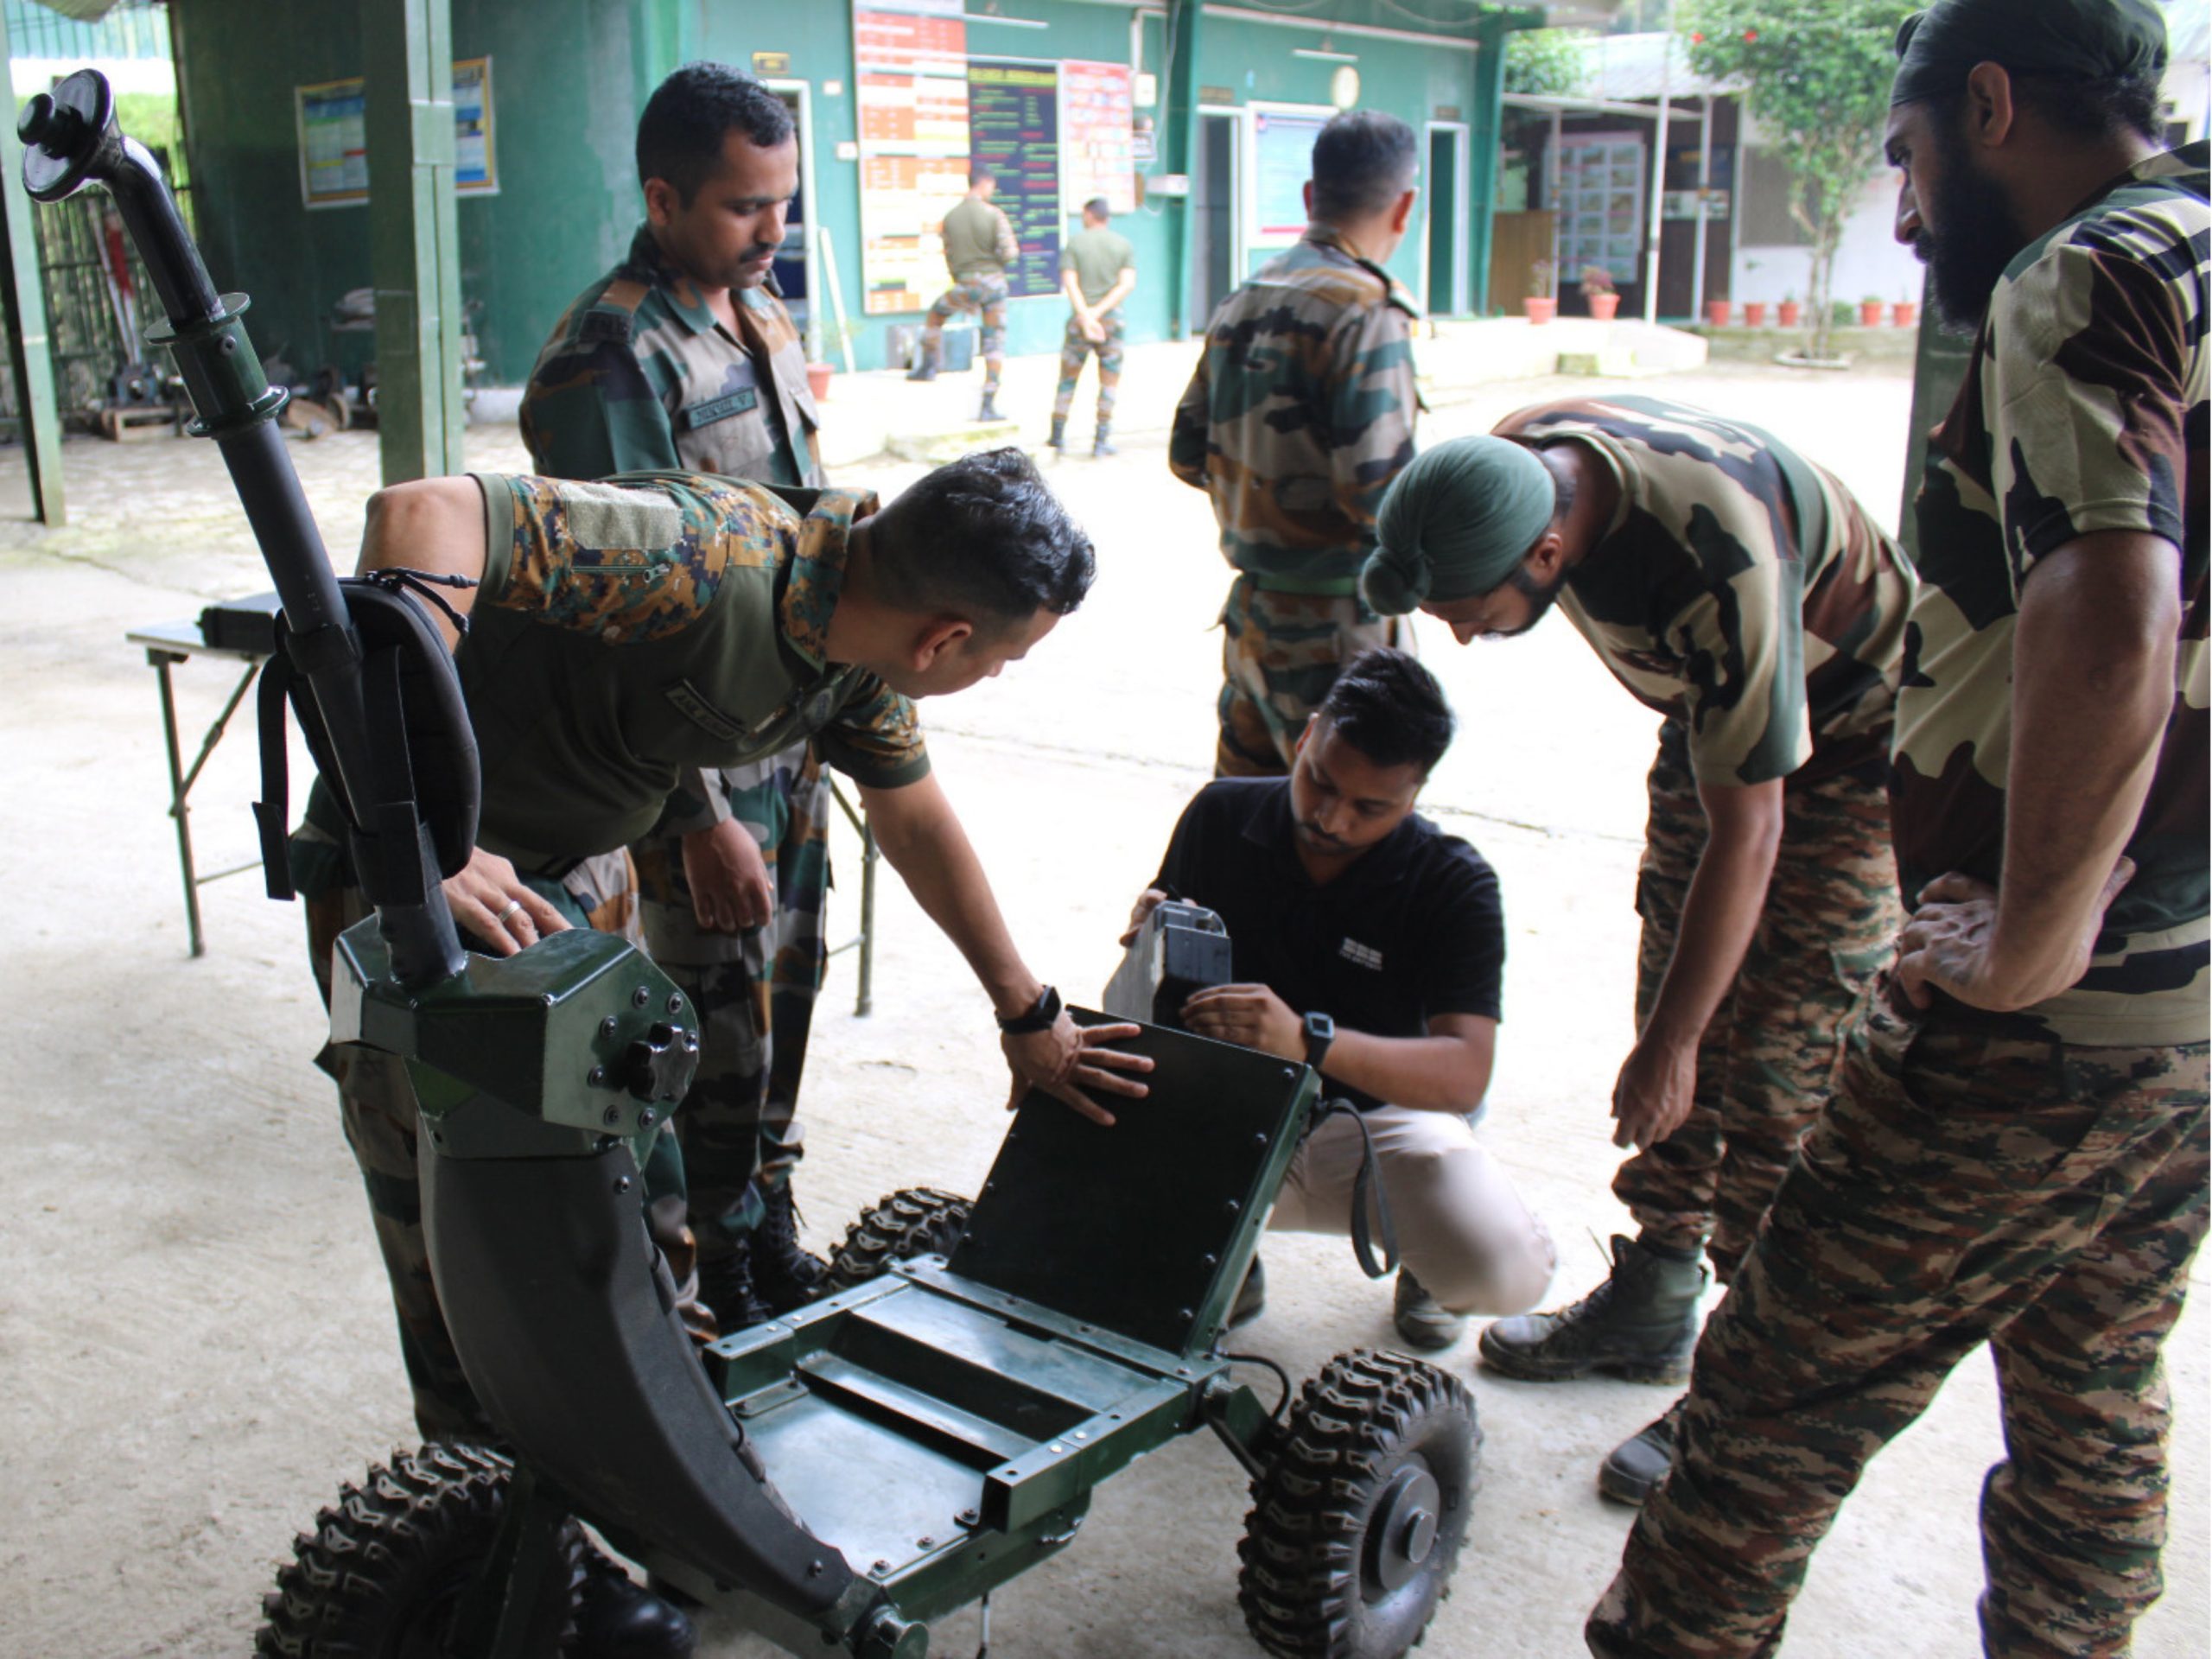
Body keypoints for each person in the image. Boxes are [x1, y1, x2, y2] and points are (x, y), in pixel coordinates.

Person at [290, 450, 1153, 1654]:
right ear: (944, 637)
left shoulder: (853, 645)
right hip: (426, 893)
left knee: (637, 1219)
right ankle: (503, 1552)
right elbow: (421, 511)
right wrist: (422, 823)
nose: (995, 675)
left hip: (571, 881)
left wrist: (1028, 1013)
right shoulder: (710, 563)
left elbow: (914, 815)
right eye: (1005, 658)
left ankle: (675, 1519)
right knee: (461, 1238)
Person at [1586, 3, 2206, 1653]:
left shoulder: (2085, 273)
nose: (1911, 211)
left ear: (1991, 105)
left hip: (2050, 1023)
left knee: (1762, 1415)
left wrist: (2031, 937)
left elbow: (2111, 597)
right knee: (2091, 1397)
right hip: (2194, 1016)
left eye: (1911, 158)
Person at [1360, 396, 1914, 1503]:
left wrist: (1674, 1045)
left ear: (1549, 550)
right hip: (1720, 711)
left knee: (1770, 1067)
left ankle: (1746, 1395)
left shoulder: (1721, 573)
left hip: (1856, 733)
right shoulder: (1510, 466)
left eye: (1468, 611)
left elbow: (1751, 832)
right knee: (1676, 984)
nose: (1461, 634)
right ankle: (1659, 1290)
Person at [519, 62, 835, 1332]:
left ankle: (761, 1222)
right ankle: (697, 1283)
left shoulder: (754, 312)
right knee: (704, 1020)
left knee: (782, 995)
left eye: (784, 205)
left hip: (787, 741)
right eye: (743, 208)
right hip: (695, 767)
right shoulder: (610, 354)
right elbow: (615, 620)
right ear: (663, 196)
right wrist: (693, 819)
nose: (773, 234)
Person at [1123, 649, 1554, 1343]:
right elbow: (1151, 1003)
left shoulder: (1455, 884)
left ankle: (1423, 1263)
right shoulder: (1218, 815)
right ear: (1306, 737)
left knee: (1501, 1271)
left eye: (1370, 807)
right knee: (1078, 1206)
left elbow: (1465, 1069)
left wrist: (1307, 1041)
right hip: (1230, 1111)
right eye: (1318, 780)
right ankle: (1227, 1262)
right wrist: (1148, 945)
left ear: (1416, 793)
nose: (1331, 818)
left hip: (1368, 1126)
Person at [1170, 108, 1421, 779]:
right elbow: (1382, 496)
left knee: (1244, 832)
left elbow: (1186, 450)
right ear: (1405, 207)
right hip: (1339, 630)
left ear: (1311, 198)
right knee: (1348, 841)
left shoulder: (1246, 297)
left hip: (1252, 620)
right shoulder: (1367, 310)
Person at [907, 164, 1017, 420]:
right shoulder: (994, 214)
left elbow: (949, 256)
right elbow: (1010, 252)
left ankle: (929, 365)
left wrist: (964, 282)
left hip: (965, 284)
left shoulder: (951, 217)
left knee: (935, 317)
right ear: (985, 183)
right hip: (994, 286)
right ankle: (988, 403)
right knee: (994, 341)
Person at [1048, 196, 1135, 458]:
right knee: (1108, 382)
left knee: (1068, 378)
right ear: (1107, 217)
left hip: (1080, 321)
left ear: (1088, 215)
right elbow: (1127, 284)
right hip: (1111, 322)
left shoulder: (1075, 243)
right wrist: (1099, 313)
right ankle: (1101, 440)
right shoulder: (1123, 245)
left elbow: (1070, 283)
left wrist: (1086, 316)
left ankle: (1058, 436)